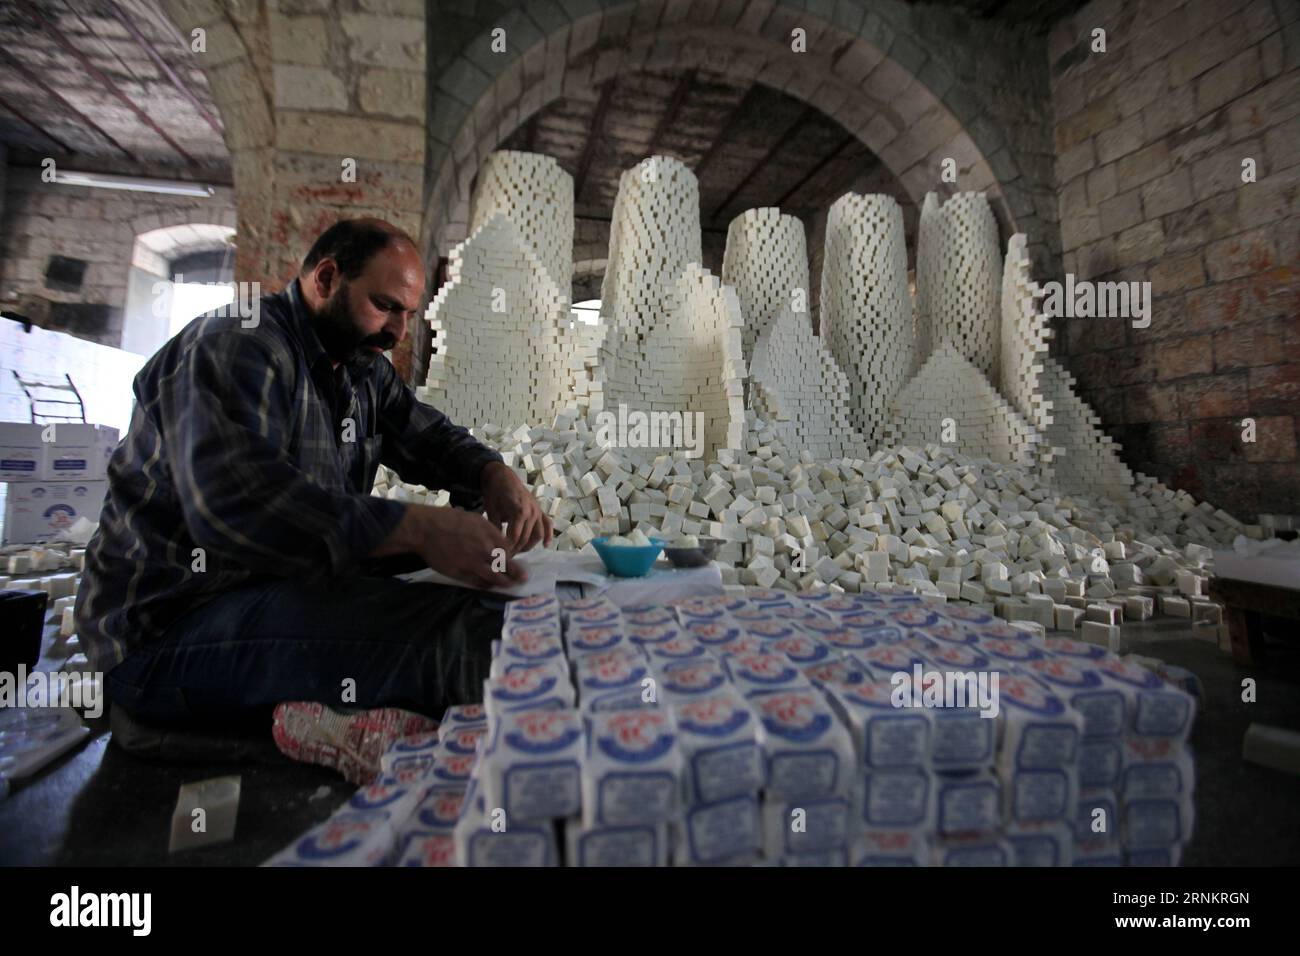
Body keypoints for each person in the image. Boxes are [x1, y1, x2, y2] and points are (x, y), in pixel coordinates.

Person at [75, 218, 552, 758]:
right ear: (326, 278)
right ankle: (156, 713)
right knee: (459, 639)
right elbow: (239, 508)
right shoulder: (237, 344)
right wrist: (419, 528)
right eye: (385, 305)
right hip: (169, 629)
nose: (398, 332)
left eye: (408, 315)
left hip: (272, 591)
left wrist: (492, 475)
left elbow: (426, 436)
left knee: (467, 608)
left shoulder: (358, 365)